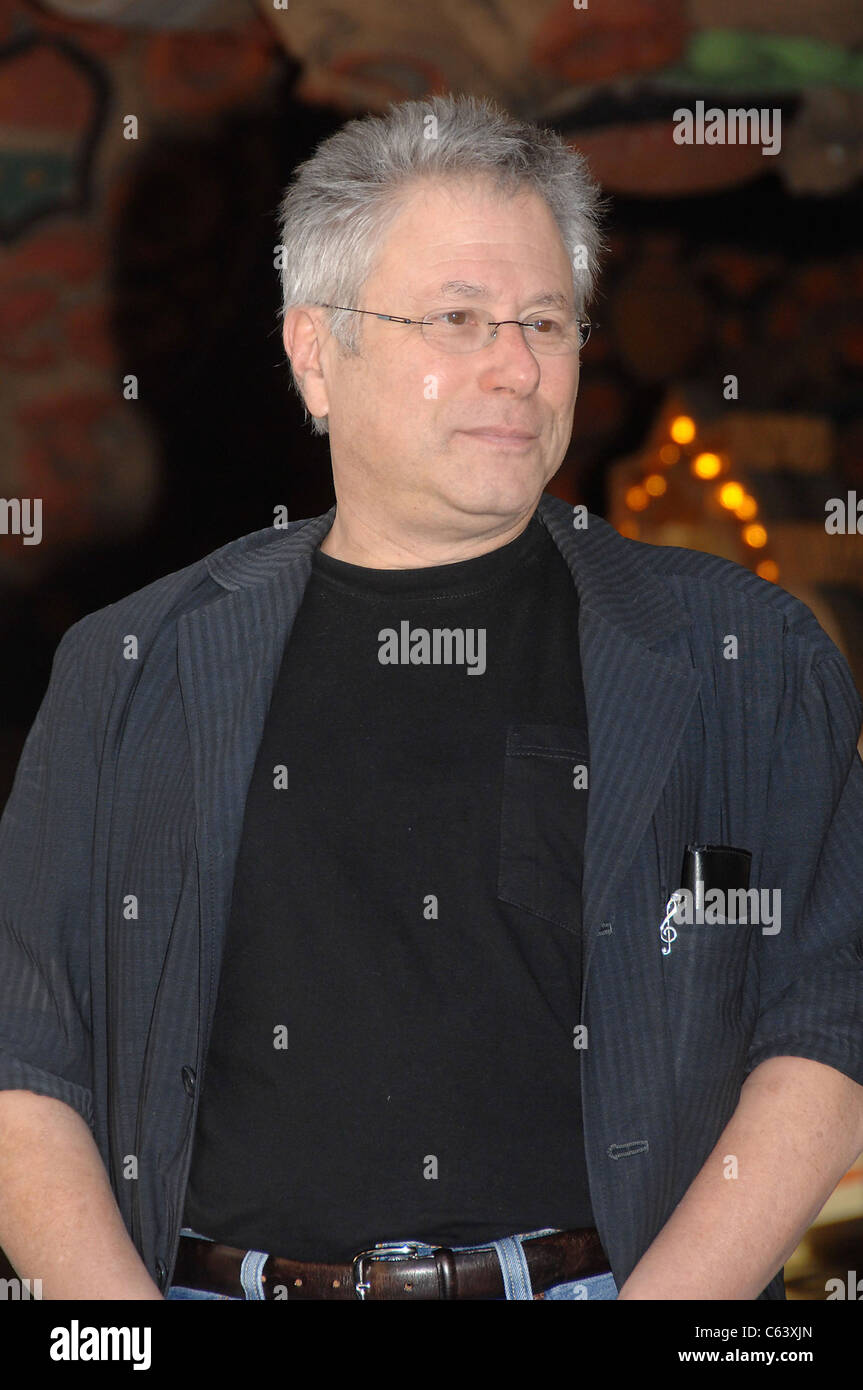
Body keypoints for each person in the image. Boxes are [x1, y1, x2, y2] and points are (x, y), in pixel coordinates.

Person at [1, 92, 862, 1303]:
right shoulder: (128, 666)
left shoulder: (742, 656)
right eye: (456, 319)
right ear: (315, 352)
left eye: (545, 322)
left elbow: (825, 1031)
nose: (513, 366)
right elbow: (24, 1067)